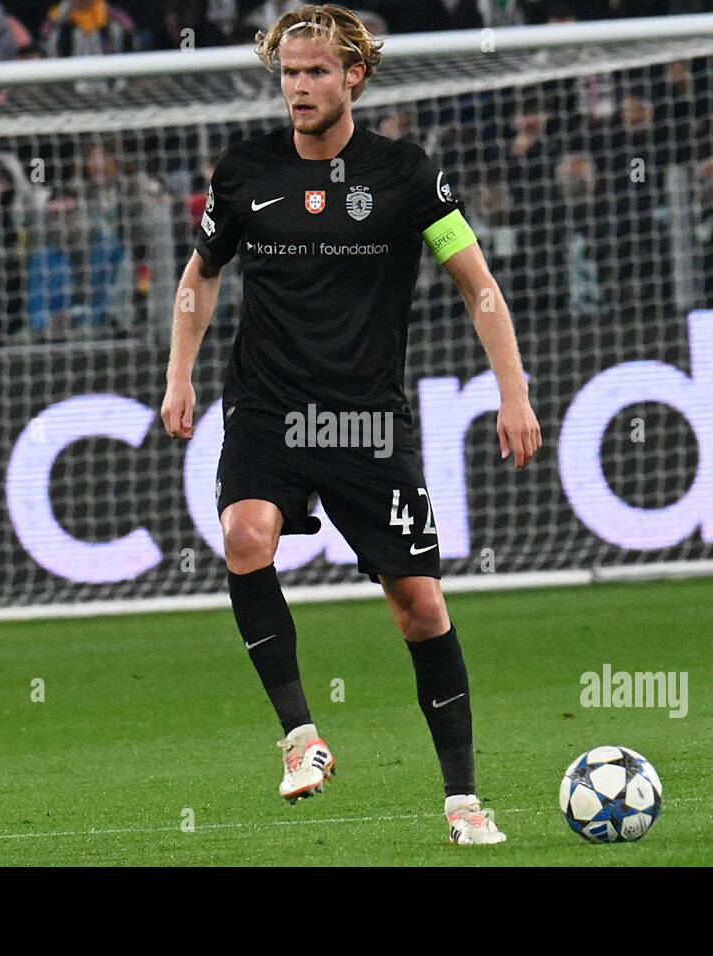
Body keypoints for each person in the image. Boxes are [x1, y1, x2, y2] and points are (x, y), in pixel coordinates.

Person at [159, 4, 541, 845]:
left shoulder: (406, 174)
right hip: (267, 407)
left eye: (317, 73)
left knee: (418, 605)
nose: (299, 88)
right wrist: (179, 373)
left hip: (368, 422)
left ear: (353, 77)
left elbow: (478, 285)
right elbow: (200, 275)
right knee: (244, 536)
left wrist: (512, 391)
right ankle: (302, 738)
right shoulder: (246, 172)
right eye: (289, 74)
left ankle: (464, 801)